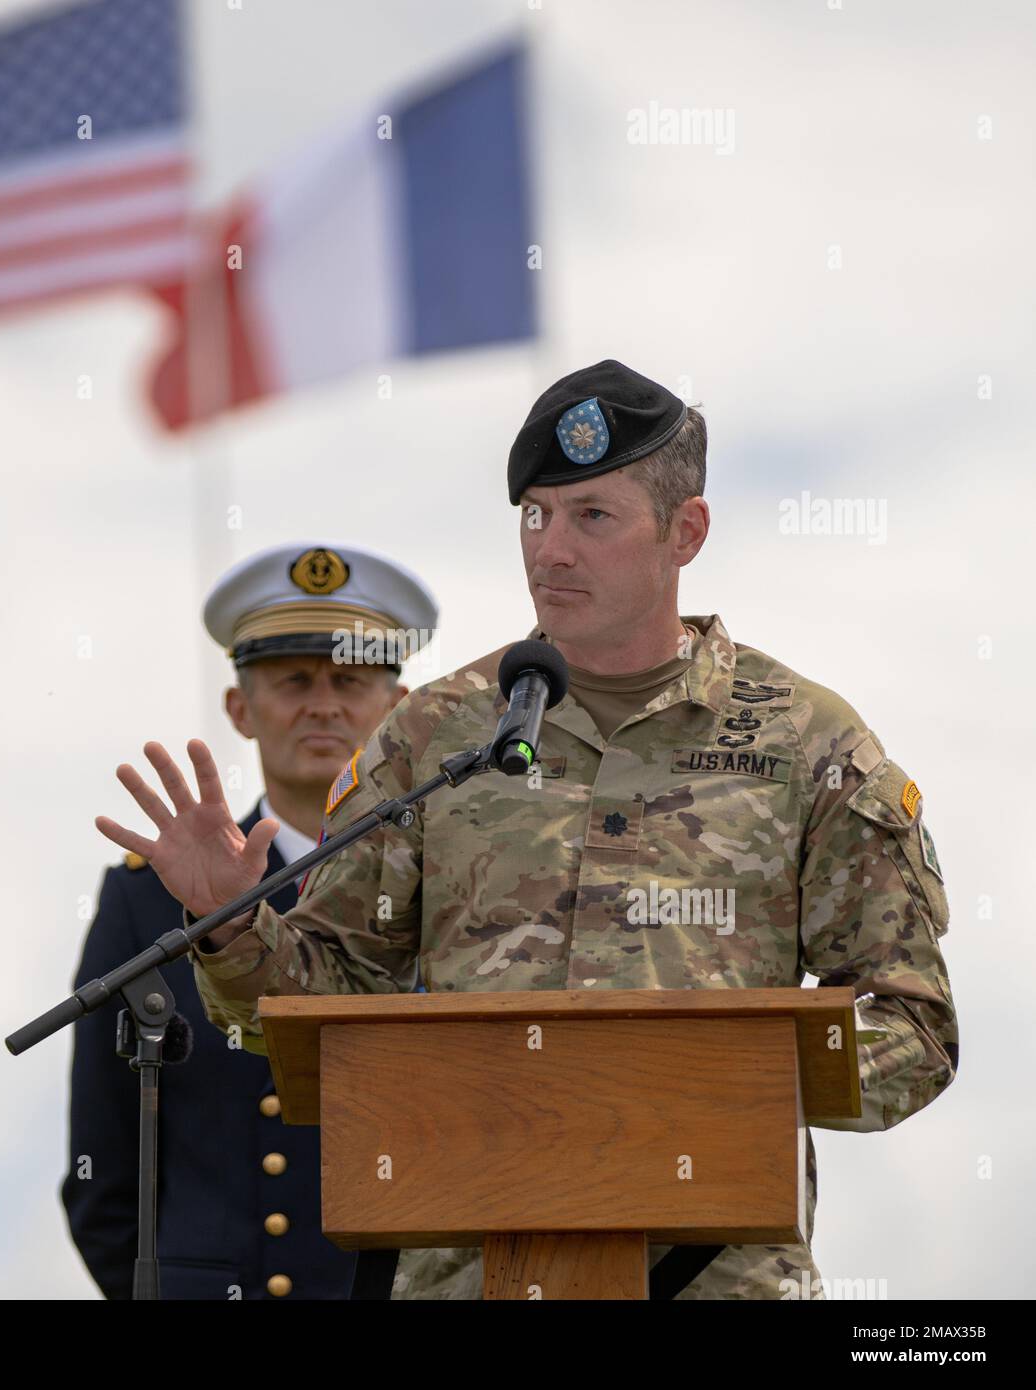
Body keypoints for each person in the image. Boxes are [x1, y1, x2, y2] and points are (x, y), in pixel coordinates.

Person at [95, 361, 957, 1300]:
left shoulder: (806, 740)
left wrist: (724, 1084)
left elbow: (913, 1026)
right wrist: (231, 928)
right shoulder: (435, 735)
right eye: (534, 515)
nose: (550, 550)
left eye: (592, 516)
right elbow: (329, 1003)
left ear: (687, 532)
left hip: (722, 1278)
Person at [65, 542, 439, 1299]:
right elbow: (104, 1173)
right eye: (294, 680)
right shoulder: (147, 899)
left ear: (399, 708)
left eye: (350, 679)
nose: (323, 703)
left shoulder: (453, 885)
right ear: (240, 708)